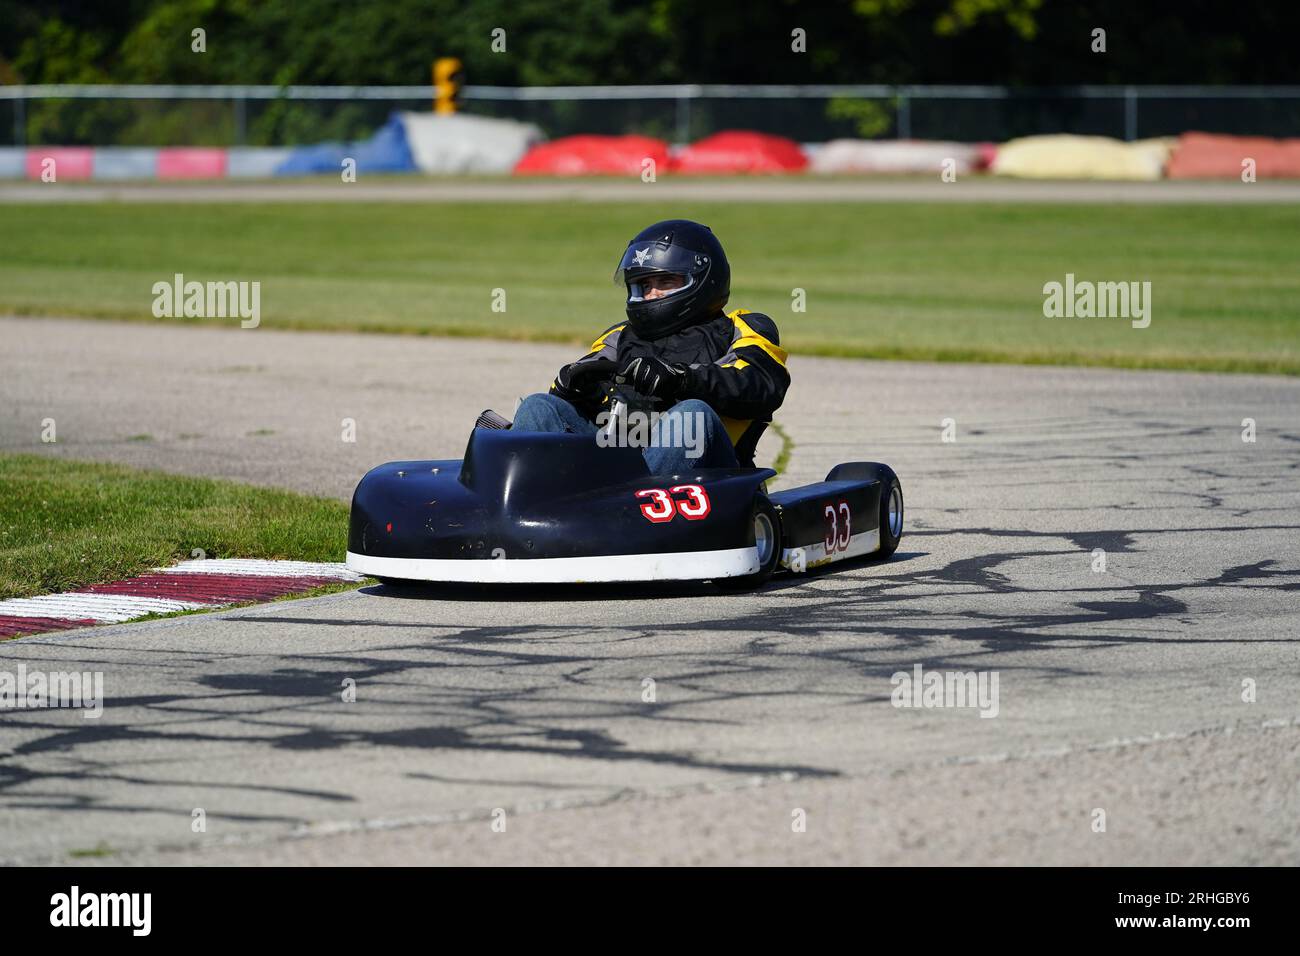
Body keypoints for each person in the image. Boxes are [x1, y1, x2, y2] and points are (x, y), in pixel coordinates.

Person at [512, 219, 790, 472]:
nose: (652, 293)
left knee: (691, 416)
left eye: (665, 281)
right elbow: (588, 374)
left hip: (711, 476)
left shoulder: (742, 327)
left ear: (704, 278)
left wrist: (682, 379)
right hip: (619, 460)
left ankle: (632, 509)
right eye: (643, 284)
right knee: (539, 407)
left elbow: (759, 384)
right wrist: (571, 389)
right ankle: (516, 515)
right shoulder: (621, 335)